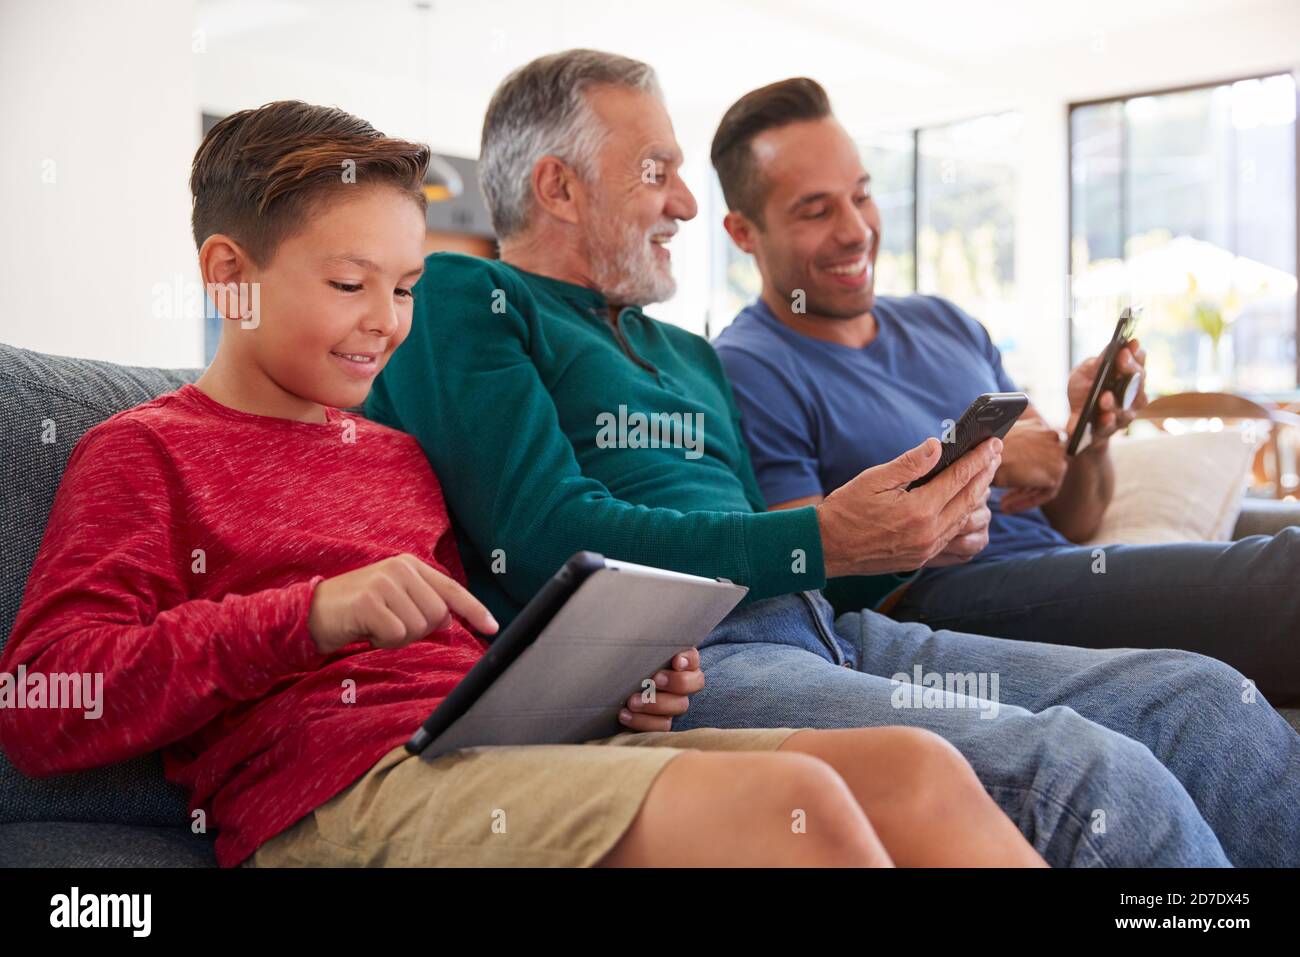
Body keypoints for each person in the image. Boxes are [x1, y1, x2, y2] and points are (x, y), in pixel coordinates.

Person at [0, 99, 1044, 869]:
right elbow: (47, 701)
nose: (387, 322)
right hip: (329, 801)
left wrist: (606, 690)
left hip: (479, 758)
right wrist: (309, 616)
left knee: (912, 765)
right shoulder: (146, 451)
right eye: (349, 285)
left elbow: (470, 660)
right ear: (230, 273)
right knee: (787, 801)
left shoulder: (397, 458)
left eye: (405, 287)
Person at [367, 48, 1300, 868]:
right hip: (680, 665)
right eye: (658, 172)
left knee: (1203, 702)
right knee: (1084, 772)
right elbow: (544, 539)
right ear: (557, 187)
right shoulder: (468, 295)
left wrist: (913, 532)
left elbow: (797, 570)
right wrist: (821, 535)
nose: (687, 204)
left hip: (822, 630)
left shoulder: (685, 353)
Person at [710, 77, 1300, 703]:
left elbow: (1076, 520)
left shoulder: (944, 320)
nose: (857, 231)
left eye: (862, 196)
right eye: (817, 210)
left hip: (1059, 571)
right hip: (941, 601)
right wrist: (985, 459)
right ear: (744, 232)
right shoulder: (747, 366)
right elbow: (805, 577)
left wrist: (1088, 440)